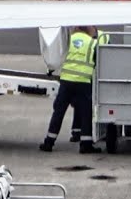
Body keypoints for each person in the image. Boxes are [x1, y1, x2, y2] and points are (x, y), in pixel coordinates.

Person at [40, 24, 103, 154]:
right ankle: (85, 144)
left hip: (66, 81)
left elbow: (58, 56)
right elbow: (98, 62)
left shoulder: (68, 40)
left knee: (58, 111)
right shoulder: (92, 43)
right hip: (83, 82)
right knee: (86, 113)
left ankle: (49, 142)